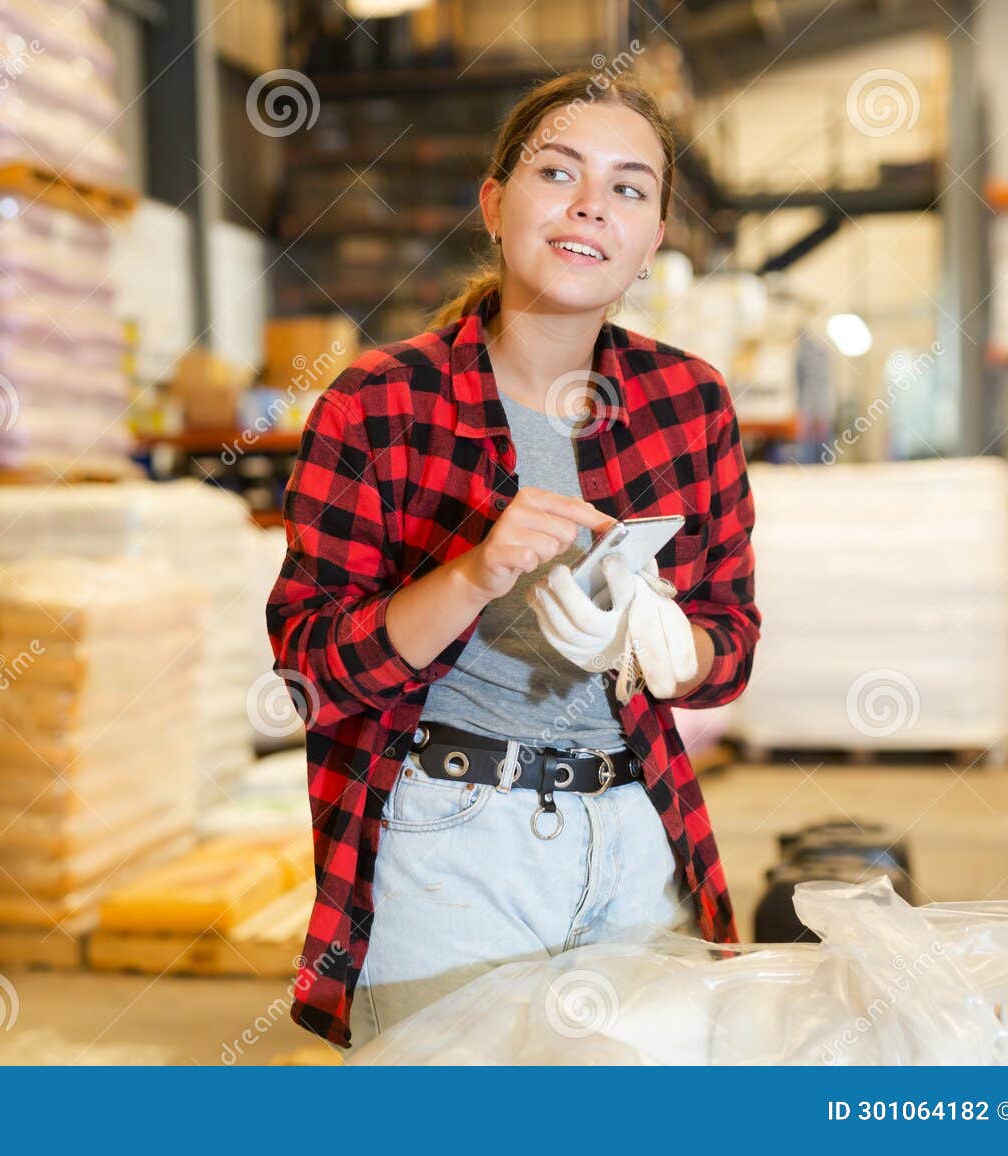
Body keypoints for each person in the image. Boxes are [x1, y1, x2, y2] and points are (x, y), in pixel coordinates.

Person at [266, 68, 761, 1055]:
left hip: (634, 834)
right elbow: (311, 668)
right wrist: (473, 575)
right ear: (493, 204)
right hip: (446, 844)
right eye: (556, 172)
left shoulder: (687, 401)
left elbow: (730, 640)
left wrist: (671, 646)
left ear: (654, 236)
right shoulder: (378, 402)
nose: (590, 204)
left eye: (628, 187)